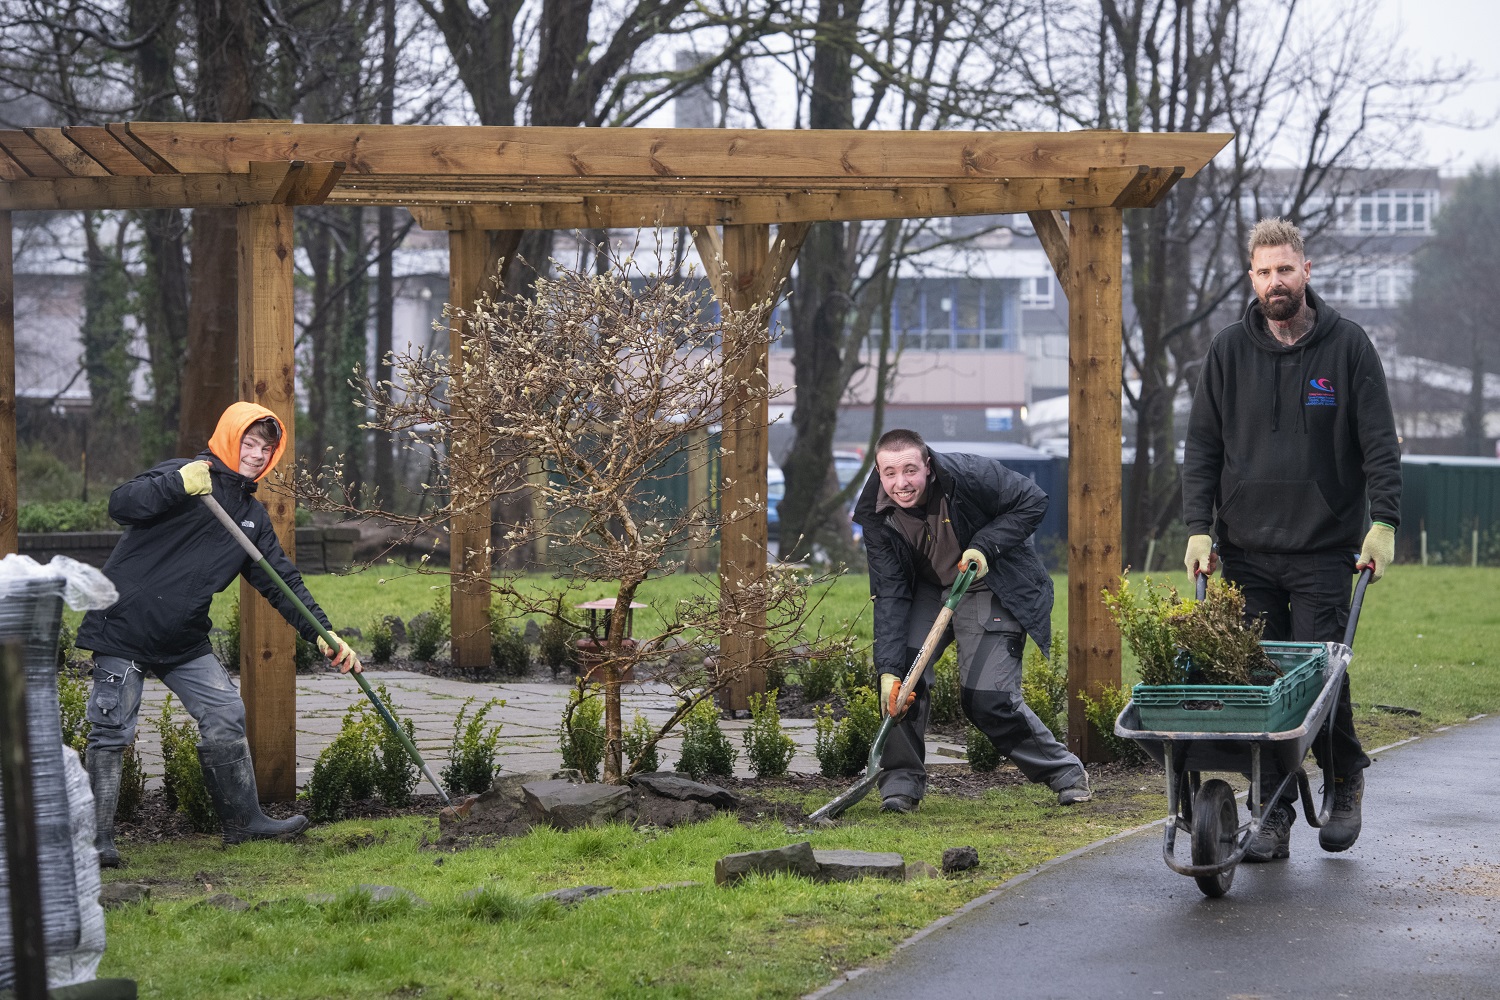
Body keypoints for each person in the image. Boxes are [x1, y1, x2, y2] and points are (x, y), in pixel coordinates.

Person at [1182, 217, 1400, 861]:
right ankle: (1271, 812)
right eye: (1263, 271)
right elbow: (1202, 449)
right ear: (1250, 278)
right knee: (1258, 685)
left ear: (1306, 272)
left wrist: (1382, 522)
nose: (1274, 282)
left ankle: (1342, 778)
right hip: (1247, 550)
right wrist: (1199, 527)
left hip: (1324, 548)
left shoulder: (1348, 347)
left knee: (1319, 675)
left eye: (1285, 269)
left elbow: (1380, 445)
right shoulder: (1227, 351)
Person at [76, 402, 364, 867]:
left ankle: (243, 824)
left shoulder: (251, 518)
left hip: (183, 638)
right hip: (125, 624)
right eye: (248, 443)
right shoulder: (183, 475)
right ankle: (94, 843)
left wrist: (322, 633)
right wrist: (177, 484)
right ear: (230, 438)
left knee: (225, 712)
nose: (255, 454)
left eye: (265, 448)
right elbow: (121, 504)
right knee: (111, 729)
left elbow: (281, 581)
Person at [852, 429, 1091, 812]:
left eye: (910, 470)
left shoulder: (969, 475)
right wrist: (888, 669)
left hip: (990, 582)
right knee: (900, 687)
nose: (902, 483)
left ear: (927, 466)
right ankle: (900, 783)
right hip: (928, 591)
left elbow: (1033, 500)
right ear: (879, 473)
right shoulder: (878, 518)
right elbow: (892, 593)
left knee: (988, 698)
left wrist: (985, 545)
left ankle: (1065, 772)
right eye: (891, 473)